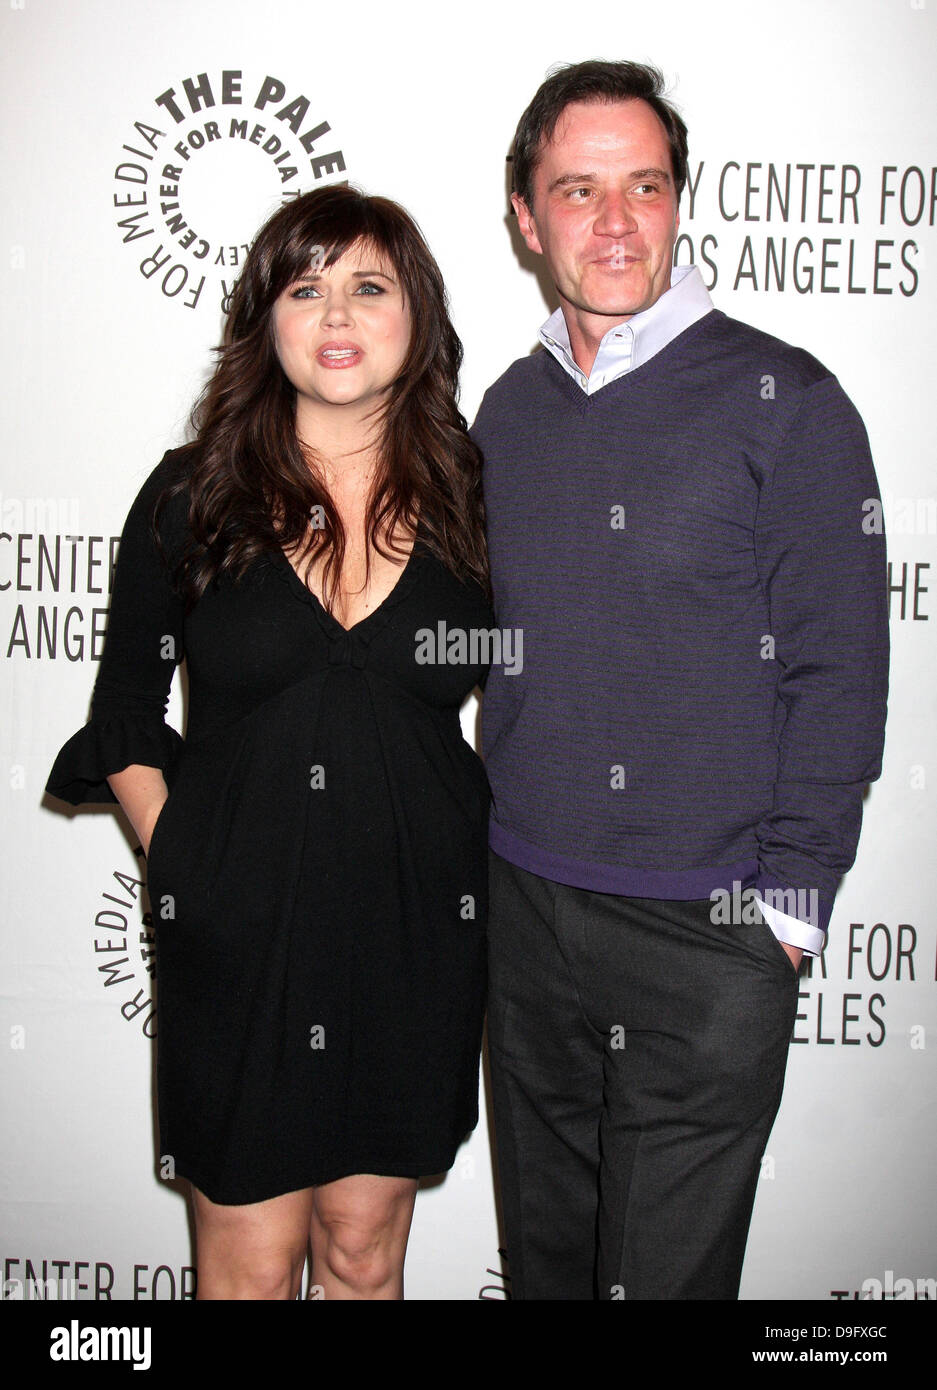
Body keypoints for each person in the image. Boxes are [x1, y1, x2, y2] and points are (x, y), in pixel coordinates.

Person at [472, 59, 889, 1300]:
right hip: (524, 909)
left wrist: (788, 911)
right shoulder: (505, 409)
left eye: (643, 187)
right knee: (548, 1272)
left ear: (678, 200)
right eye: (578, 189)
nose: (614, 223)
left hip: (706, 933)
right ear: (524, 214)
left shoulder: (790, 402)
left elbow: (841, 663)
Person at [46, 185, 493, 1300]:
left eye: (368, 285)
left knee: (361, 1256)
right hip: (240, 944)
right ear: (267, 319)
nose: (336, 311)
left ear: (417, 318)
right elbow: (125, 710)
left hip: (412, 934)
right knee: (243, 1274)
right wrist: (188, 858)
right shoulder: (191, 494)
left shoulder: (475, 498)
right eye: (305, 286)